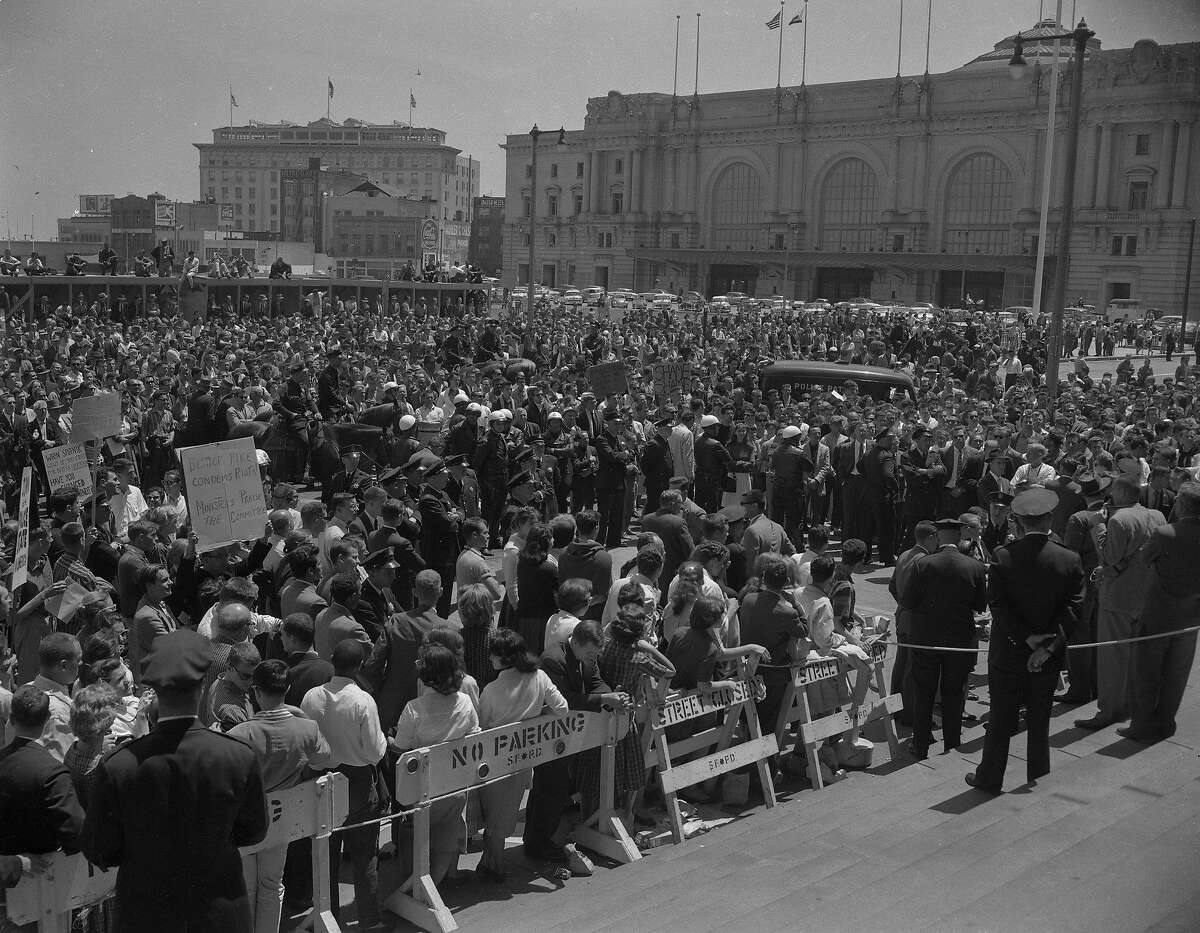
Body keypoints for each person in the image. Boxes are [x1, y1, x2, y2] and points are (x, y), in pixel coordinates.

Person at [81, 630, 269, 931]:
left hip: (146, 917)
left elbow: (98, 847)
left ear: (153, 689)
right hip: (219, 917)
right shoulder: (237, 756)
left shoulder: (120, 766)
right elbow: (253, 831)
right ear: (202, 683)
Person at [968, 488, 1084, 794]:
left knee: (1001, 719)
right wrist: (1047, 647)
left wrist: (1026, 638)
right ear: (1049, 519)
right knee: (1039, 719)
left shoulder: (1004, 556)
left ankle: (990, 777)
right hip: (1048, 657)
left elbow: (999, 606)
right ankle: (1038, 774)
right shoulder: (1069, 559)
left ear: (1018, 521)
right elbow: (1074, 610)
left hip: (1010, 652)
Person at [229, 660, 332, 933]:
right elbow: (324, 758)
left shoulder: (240, 734)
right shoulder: (307, 729)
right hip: (283, 817)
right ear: (287, 688)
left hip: (246, 822)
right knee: (272, 884)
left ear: (256, 691)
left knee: (246, 885)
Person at [524, 620, 631, 862]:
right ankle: (538, 844)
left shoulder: (584, 656)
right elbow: (565, 700)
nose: (593, 658)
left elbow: (595, 681)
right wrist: (605, 697)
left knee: (553, 788)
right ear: (578, 643)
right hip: (548, 734)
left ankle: (537, 840)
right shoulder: (553, 660)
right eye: (591, 653)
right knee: (550, 788)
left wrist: (610, 695)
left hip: (566, 735)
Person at [301, 640, 387, 928]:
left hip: (321, 782)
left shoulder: (311, 697)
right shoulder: (363, 700)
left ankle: (328, 920)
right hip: (358, 784)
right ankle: (370, 922)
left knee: (325, 859)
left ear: (331, 661)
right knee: (364, 857)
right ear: (360, 666)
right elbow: (375, 752)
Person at [476, 628, 568, 880]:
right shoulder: (539, 677)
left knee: (495, 819)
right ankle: (490, 863)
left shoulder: (492, 691)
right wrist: (537, 720)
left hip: (496, 761)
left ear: (501, 658)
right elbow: (562, 708)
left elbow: (482, 729)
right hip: (525, 758)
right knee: (504, 815)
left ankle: (494, 866)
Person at [1077, 474, 1166, 730]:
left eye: (1114, 491)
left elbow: (1108, 557)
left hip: (1118, 598)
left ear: (1124, 494)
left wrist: (1098, 525)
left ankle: (1109, 712)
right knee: (1139, 658)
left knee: (1112, 659)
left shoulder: (1118, 520)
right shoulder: (1157, 515)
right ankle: (1132, 706)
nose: (1111, 496)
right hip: (1147, 596)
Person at [391, 645, 480, 884]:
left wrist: (387, 738)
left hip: (422, 788)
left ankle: (412, 887)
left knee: (413, 836)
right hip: (455, 785)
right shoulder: (465, 702)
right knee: (447, 836)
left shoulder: (414, 708)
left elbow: (400, 745)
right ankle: (435, 885)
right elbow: (474, 734)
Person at [900, 518, 987, 759]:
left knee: (924, 691)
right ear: (959, 538)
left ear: (938, 537)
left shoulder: (923, 565)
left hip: (926, 638)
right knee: (954, 692)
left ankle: (920, 744)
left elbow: (907, 601)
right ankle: (952, 743)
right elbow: (980, 604)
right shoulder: (974, 566)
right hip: (959, 640)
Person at [0, 685, 86, 927]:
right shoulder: (51, 771)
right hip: (41, 893)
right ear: (48, 720)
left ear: (12, 719)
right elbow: (76, 832)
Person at [1121, 482, 1200, 743]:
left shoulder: (1165, 533)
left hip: (1158, 614)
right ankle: (1165, 722)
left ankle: (1142, 725)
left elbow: (1145, 559)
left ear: (1182, 505)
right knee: (1177, 675)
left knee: (1146, 672)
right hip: (1190, 617)